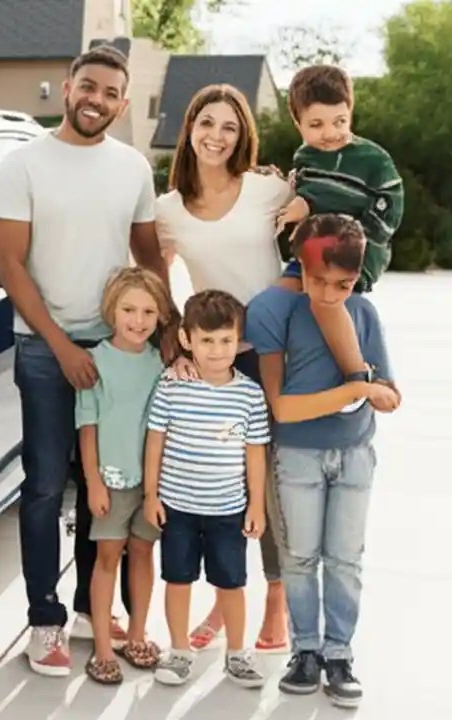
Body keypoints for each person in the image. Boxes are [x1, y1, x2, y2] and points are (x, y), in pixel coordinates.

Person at [0, 44, 176, 677]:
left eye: (109, 93)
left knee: (118, 480)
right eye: (86, 86)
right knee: (44, 487)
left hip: (119, 349)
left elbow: (149, 258)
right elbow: (10, 264)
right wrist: (64, 347)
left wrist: (166, 331)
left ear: (122, 104)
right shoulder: (24, 164)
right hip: (46, 350)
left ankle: (96, 613)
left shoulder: (132, 169)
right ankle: (45, 622)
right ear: (67, 88)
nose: (96, 99)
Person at [154, 83, 293, 654]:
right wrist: (175, 342)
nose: (216, 135)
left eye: (229, 127)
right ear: (189, 128)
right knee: (226, 483)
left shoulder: (268, 188)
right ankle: (223, 595)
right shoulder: (165, 209)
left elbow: (316, 219)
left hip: (279, 353)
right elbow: (154, 274)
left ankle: (278, 602)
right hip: (219, 357)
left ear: (243, 138)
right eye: (206, 123)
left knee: (275, 486)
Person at [245, 213, 400, 708]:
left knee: (345, 561)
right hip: (297, 456)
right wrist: (357, 388)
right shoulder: (273, 310)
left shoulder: (364, 313)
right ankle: (305, 651)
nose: (331, 293)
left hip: (355, 454)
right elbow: (283, 407)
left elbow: (391, 394)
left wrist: (375, 389)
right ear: (299, 267)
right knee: (299, 558)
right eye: (319, 281)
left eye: (345, 283)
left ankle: (339, 655)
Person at [143, 289, 271, 688]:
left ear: (239, 340)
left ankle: (237, 653)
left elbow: (255, 453)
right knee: (177, 579)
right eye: (207, 341)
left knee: (231, 582)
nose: (216, 351)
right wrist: (151, 494)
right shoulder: (171, 385)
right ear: (187, 339)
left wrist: (257, 505)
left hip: (228, 509)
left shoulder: (249, 395)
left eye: (226, 341)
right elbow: (155, 441)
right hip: (177, 507)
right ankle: (179, 650)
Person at [274, 64, 404, 394]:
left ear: (350, 113)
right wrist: (296, 209)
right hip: (314, 251)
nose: (330, 133)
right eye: (316, 125)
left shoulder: (372, 159)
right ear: (298, 123)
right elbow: (311, 193)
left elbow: (391, 200)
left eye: (340, 121)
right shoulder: (306, 156)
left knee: (324, 300)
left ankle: (357, 375)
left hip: (357, 250)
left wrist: (355, 236)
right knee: (275, 297)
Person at [75, 267, 171, 684]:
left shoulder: (160, 363)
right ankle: (100, 647)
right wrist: (94, 481)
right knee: (107, 558)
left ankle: (136, 635)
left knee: (144, 553)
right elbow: (88, 426)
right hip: (111, 483)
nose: (139, 319)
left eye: (149, 311)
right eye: (129, 309)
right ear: (111, 310)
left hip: (152, 484)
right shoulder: (96, 361)